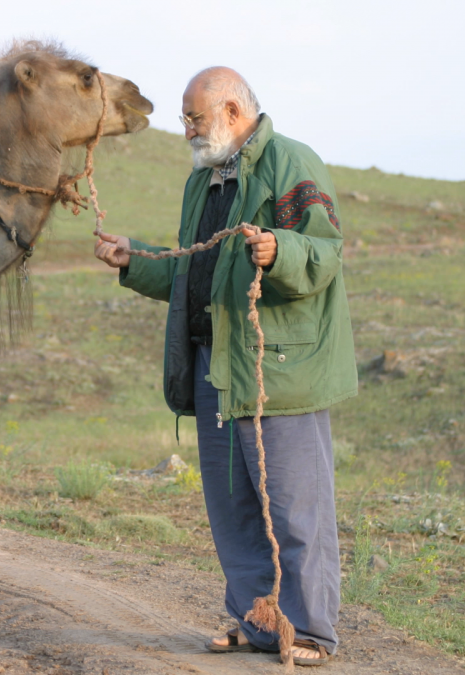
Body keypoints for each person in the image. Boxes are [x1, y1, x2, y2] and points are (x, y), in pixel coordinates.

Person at [94, 67, 357, 667]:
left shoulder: (291, 163)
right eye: (185, 118)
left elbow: (326, 253)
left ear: (234, 112)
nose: (185, 129)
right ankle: (258, 621)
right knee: (233, 508)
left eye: (194, 117)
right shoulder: (204, 181)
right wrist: (131, 260)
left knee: (294, 509)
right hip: (217, 367)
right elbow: (193, 275)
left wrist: (280, 250)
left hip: (277, 371)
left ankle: (311, 632)